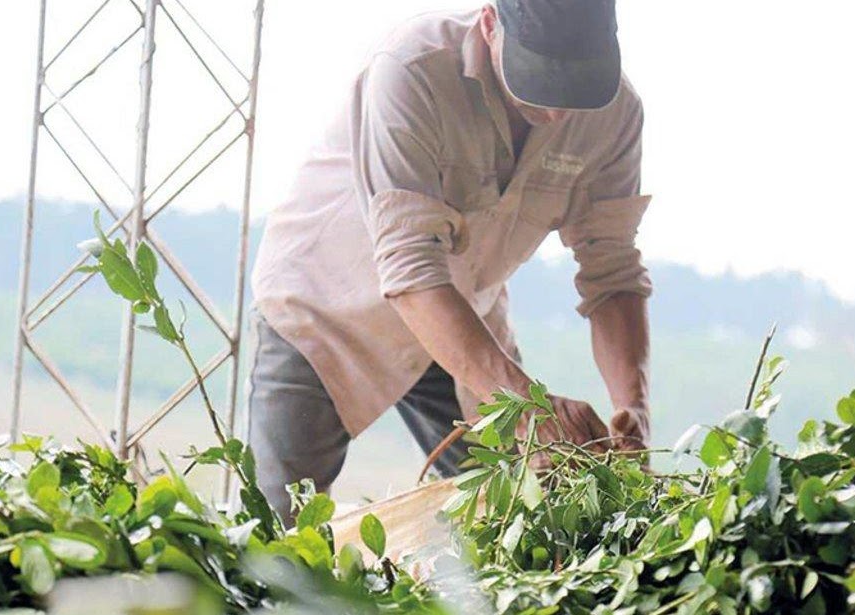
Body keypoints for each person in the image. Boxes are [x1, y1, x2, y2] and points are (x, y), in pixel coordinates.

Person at [249, 0, 652, 517]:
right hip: (327, 312)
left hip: (464, 317)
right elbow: (412, 270)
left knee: (528, 517)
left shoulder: (615, 115)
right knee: (279, 537)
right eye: (540, 77)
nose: (557, 111)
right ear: (490, 24)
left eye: (575, 83)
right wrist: (527, 406)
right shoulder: (411, 69)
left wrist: (633, 406)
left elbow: (611, 270)